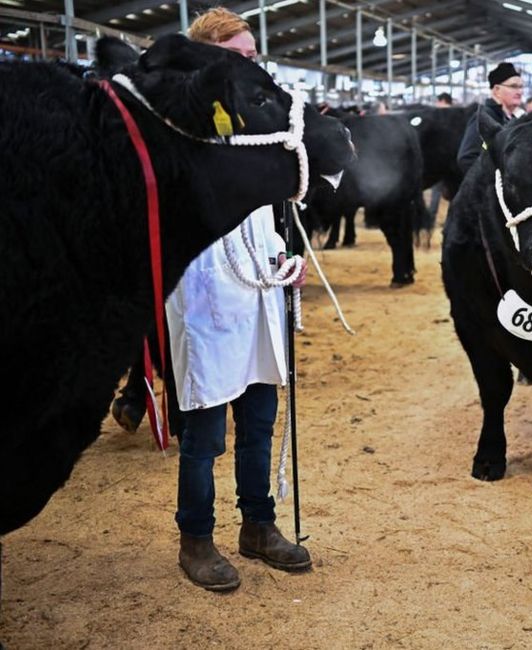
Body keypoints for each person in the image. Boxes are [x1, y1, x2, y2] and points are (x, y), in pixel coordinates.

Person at [168, 7, 312, 592]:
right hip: (203, 296)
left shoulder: (257, 126)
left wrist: (285, 258)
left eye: (255, 56)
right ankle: (196, 539)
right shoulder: (180, 129)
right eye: (241, 56)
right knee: (203, 436)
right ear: (210, 60)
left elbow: (266, 215)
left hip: (257, 292)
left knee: (259, 419)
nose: (253, 65)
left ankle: (258, 525)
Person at [456, 62, 522, 175]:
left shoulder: (509, 119)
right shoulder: (484, 117)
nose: (520, 92)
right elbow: (466, 158)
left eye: (521, 87)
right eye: (513, 86)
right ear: (496, 90)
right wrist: (490, 184)